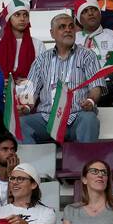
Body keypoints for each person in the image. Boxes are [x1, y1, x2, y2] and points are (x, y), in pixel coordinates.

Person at [19, 11, 102, 142]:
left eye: (71, 26)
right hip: (47, 118)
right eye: (62, 27)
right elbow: (29, 92)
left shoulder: (87, 55)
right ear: (52, 33)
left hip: (77, 116)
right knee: (21, 123)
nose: (68, 30)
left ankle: (87, 161)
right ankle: (33, 162)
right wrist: (26, 106)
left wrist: (90, 101)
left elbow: (96, 87)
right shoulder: (41, 60)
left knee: (90, 119)